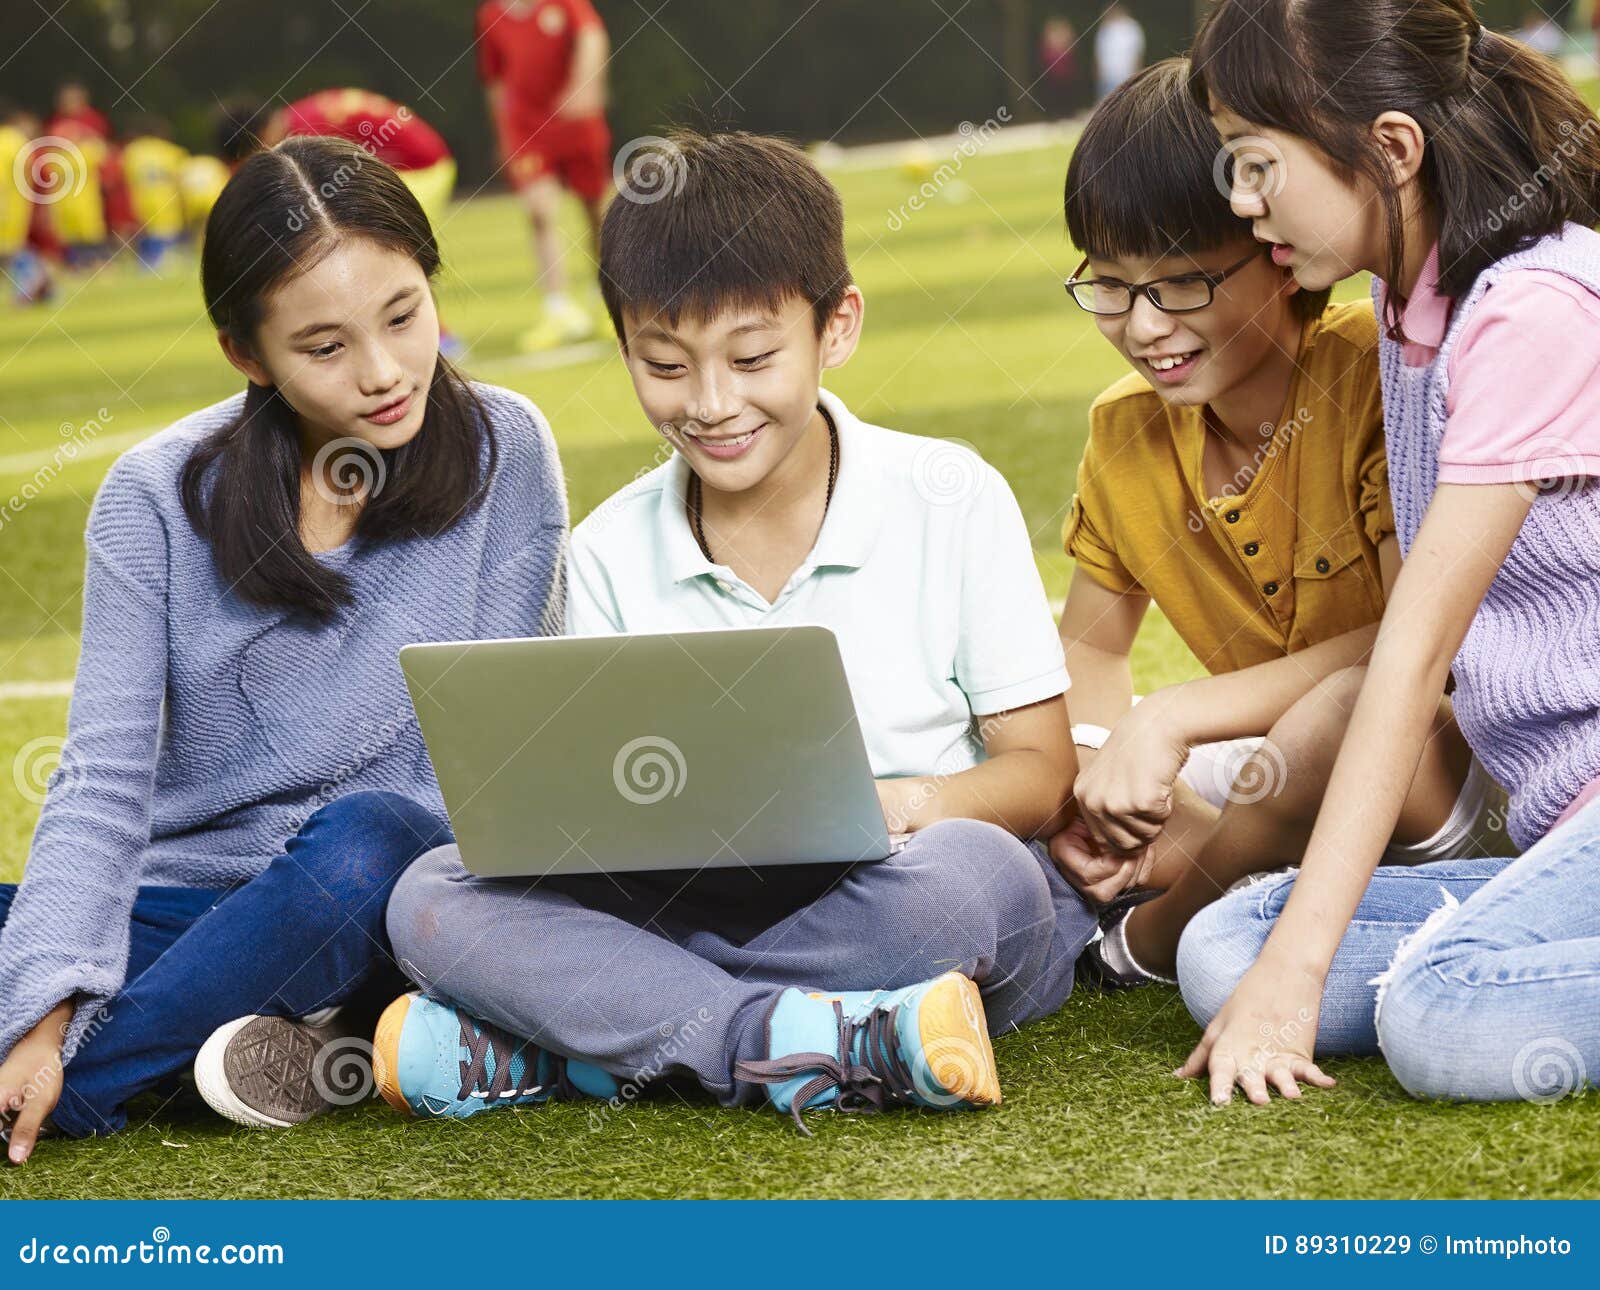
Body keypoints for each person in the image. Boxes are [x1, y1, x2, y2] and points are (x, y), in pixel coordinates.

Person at [372, 130, 1098, 1134]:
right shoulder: (610, 548)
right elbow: (583, 812)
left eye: (752, 358)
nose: (711, 404)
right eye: (664, 365)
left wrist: (904, 802)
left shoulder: (948, 495)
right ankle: (795, 1039)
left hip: (899, 891)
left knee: (986, 882)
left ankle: (581, 1038)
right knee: (430, 895)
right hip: (687, 900)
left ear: (835, 326)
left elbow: (1040, 773)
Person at [0, 136, 569, 1161]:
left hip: (392, 903)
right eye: (325, 347)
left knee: (366, 842)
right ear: (247, 355)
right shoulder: (153, 496)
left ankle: (84, 1087)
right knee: (32, 927)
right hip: (186, 907)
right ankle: (255, 1042)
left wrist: (53, 1046)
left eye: (404, 315)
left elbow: (504, 764)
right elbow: (99, 779)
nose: (387, 372)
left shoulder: (506, 448)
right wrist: (33, 1014)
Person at [1178, 0, 1600, 1107]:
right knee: (1225, 948)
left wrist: (1299, 979)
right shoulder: (1412, 291)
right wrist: (1279, 969)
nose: (1240, 199)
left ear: (1391, 149)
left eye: (1257, 162)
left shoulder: (1534, 313)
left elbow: (1412, 663)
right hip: (1564, 823)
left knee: (1441, 1022)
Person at [1054, 60, 1494, 991]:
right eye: (1109, 285)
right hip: (1271, 776)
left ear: (1278, 252)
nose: (1141, 327)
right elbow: (1089, 654)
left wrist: (1173, 716)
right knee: (1055, 760)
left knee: (1334, 718)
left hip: (1438, 768)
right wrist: (1109, 778)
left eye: (1179, 283)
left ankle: (1162, 932)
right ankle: (1216, 858)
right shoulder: (1122, 432)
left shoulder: (1375, 374)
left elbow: (1414, 644)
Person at [476, 0, 613, 351]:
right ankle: (558, 308)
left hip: (576, 123)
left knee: (596, 212)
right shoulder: (490, 15)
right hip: (527, 129)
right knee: (539, 211)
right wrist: (503, 136)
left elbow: (593, 37)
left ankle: (609, 298)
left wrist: (585, 86)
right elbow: (495, 82)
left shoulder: (565, 3)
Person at [120, 116, 187, 271]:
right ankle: (159, 264)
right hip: (165, 199)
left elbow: (123, 176)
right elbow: (180, 179)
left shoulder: (133, 150)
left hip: (139, 199)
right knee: (164, 233)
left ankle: (145, 264)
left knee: (144, 233)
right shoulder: (170, 151)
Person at [1093, 3, 1145, 101]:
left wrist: (1136, 74)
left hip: (1125, 74)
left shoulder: (1132, 27)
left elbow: (1137, 54)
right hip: (1106, 76)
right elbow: (1099, 54)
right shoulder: (1105, 28)